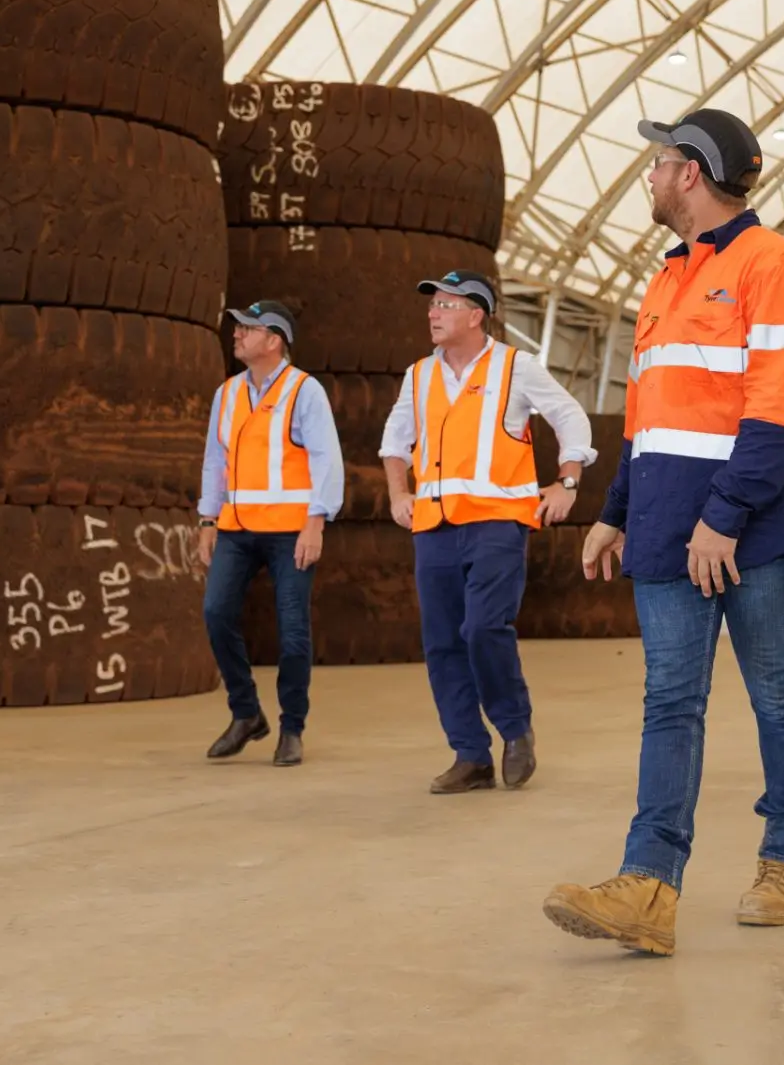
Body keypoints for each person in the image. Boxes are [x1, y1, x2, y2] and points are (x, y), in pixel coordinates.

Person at [542, 108, 784, 957]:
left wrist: (723, 517)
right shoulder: (668, 277)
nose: (650, 177)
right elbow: (648, 418)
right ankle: (649, 887)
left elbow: (781, 416)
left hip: (751, 524)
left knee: (776, 691)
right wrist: (615, 512)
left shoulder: (779, 268)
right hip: (670, 525)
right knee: (670, 699)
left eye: (660, 163)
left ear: (693, 174)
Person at [379, 270, 596, 794]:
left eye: (447, 305)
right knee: (442, 643)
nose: (433, 313)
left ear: (477, 315)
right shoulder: (418, 376)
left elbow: (569, 416)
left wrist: (567, 482)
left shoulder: (515, 367)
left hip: (498, 522)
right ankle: (470, 755)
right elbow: (394, 440)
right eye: (432, 304)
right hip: (433, 525)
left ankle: (515, 730)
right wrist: (398, 494)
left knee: (482, 629)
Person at [197, 300, 344, 767]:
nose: (236, 334)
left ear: (274, 340)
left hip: (290, 532)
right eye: (237, 328)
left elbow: (326, 458)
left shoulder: (304, 391)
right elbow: (214, 462)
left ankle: (292, 727)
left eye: (247, 328)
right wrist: (207, 519)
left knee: (294, 632)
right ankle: (246, 714)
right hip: (237, 529)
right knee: (216, 613)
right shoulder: (228, 394)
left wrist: (316, 521)